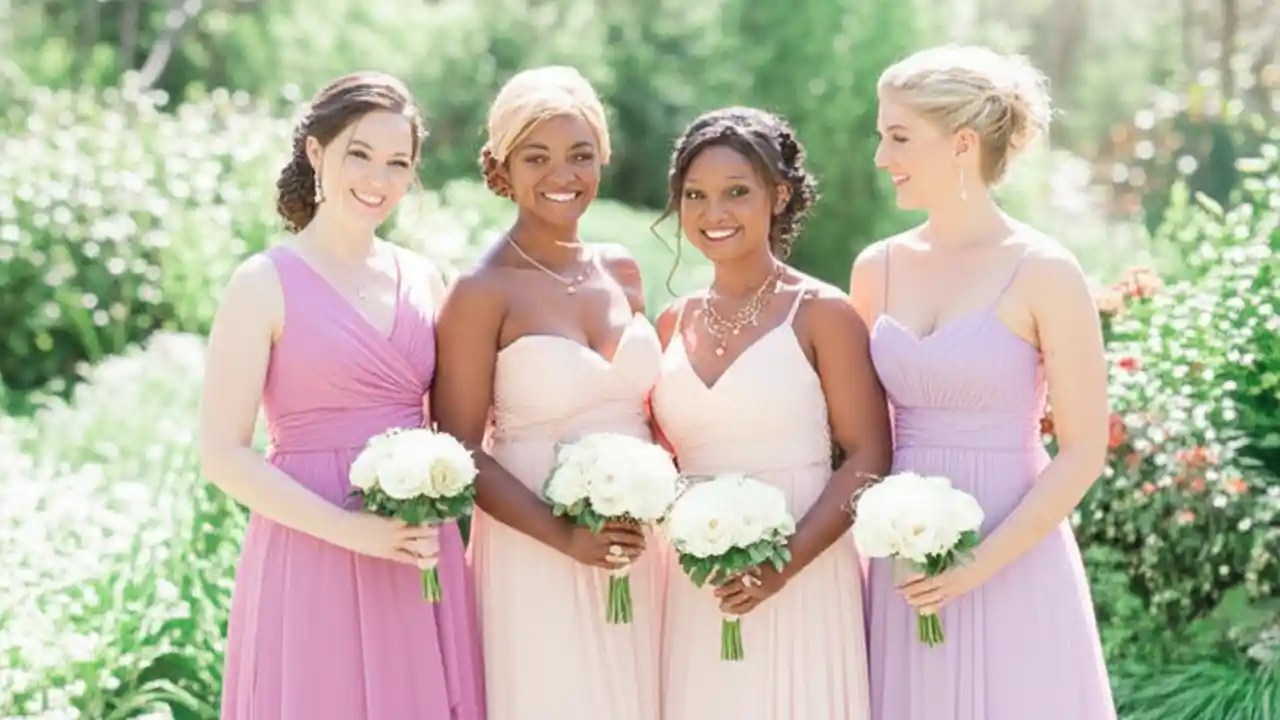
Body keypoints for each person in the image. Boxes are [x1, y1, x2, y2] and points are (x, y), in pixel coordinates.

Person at [199, 71, 484, 720]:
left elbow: (456, 429)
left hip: (414, 551)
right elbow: (221, 455)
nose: (378, 179)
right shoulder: (262, 283)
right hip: (310, 547)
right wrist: (352, 532)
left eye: (398, 163)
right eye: (359, 154)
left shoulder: (424, 278)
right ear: (315, 151)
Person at [851, 45, 1116, 719]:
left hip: (1015, 557)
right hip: (904, 567)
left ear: (962, 144)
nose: (881, 157)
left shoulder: (1045, 271)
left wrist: (981, 564)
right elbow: (857, 435)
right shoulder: (875, 268)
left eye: (899, 137)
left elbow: (1084, 451)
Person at [432, 66, 663, 720]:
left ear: (602, 158)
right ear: (503, 166)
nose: (563, 174)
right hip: (532, 550)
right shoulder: (481, 291)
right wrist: (565, 538)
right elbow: (458, 451)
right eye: (537, 157)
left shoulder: (621, 269)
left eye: (580, 155)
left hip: (637, 548)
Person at [651, 106, 891, 720]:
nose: (714, 213)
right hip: (697, 583)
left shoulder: (822, 314)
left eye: (737, 192)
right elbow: (659, 459)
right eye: (696, 195)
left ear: (779, 196)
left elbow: (868, 455)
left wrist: (782, 567)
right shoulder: (671, 322)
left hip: (803, 572)